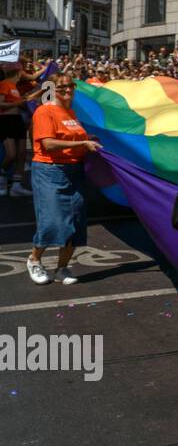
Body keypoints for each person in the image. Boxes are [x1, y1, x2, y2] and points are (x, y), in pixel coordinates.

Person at [27, 76, 102, 285]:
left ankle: (62, 268)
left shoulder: (71, 112)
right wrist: (82, 142)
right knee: (53, 220)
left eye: (70, 86)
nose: (67, 90)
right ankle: (34, 259)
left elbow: (73, 139)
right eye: (61, 86)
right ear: (52, 89)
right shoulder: (45, 111)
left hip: (74, 169)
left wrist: (89, 141)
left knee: (76, 221)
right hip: (50, 170)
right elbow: (49, 144)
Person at [0, 64, 39, 197]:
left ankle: (17, 186)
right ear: (18, 73)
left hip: (17, 121)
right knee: (11, 155)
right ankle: (1, 177)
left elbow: (21, 102)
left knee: (22, 154)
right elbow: (1, 104)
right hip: (6, 121)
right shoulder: (4, 84)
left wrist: (28, 99)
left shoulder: (14, 87)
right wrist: (19, 103)